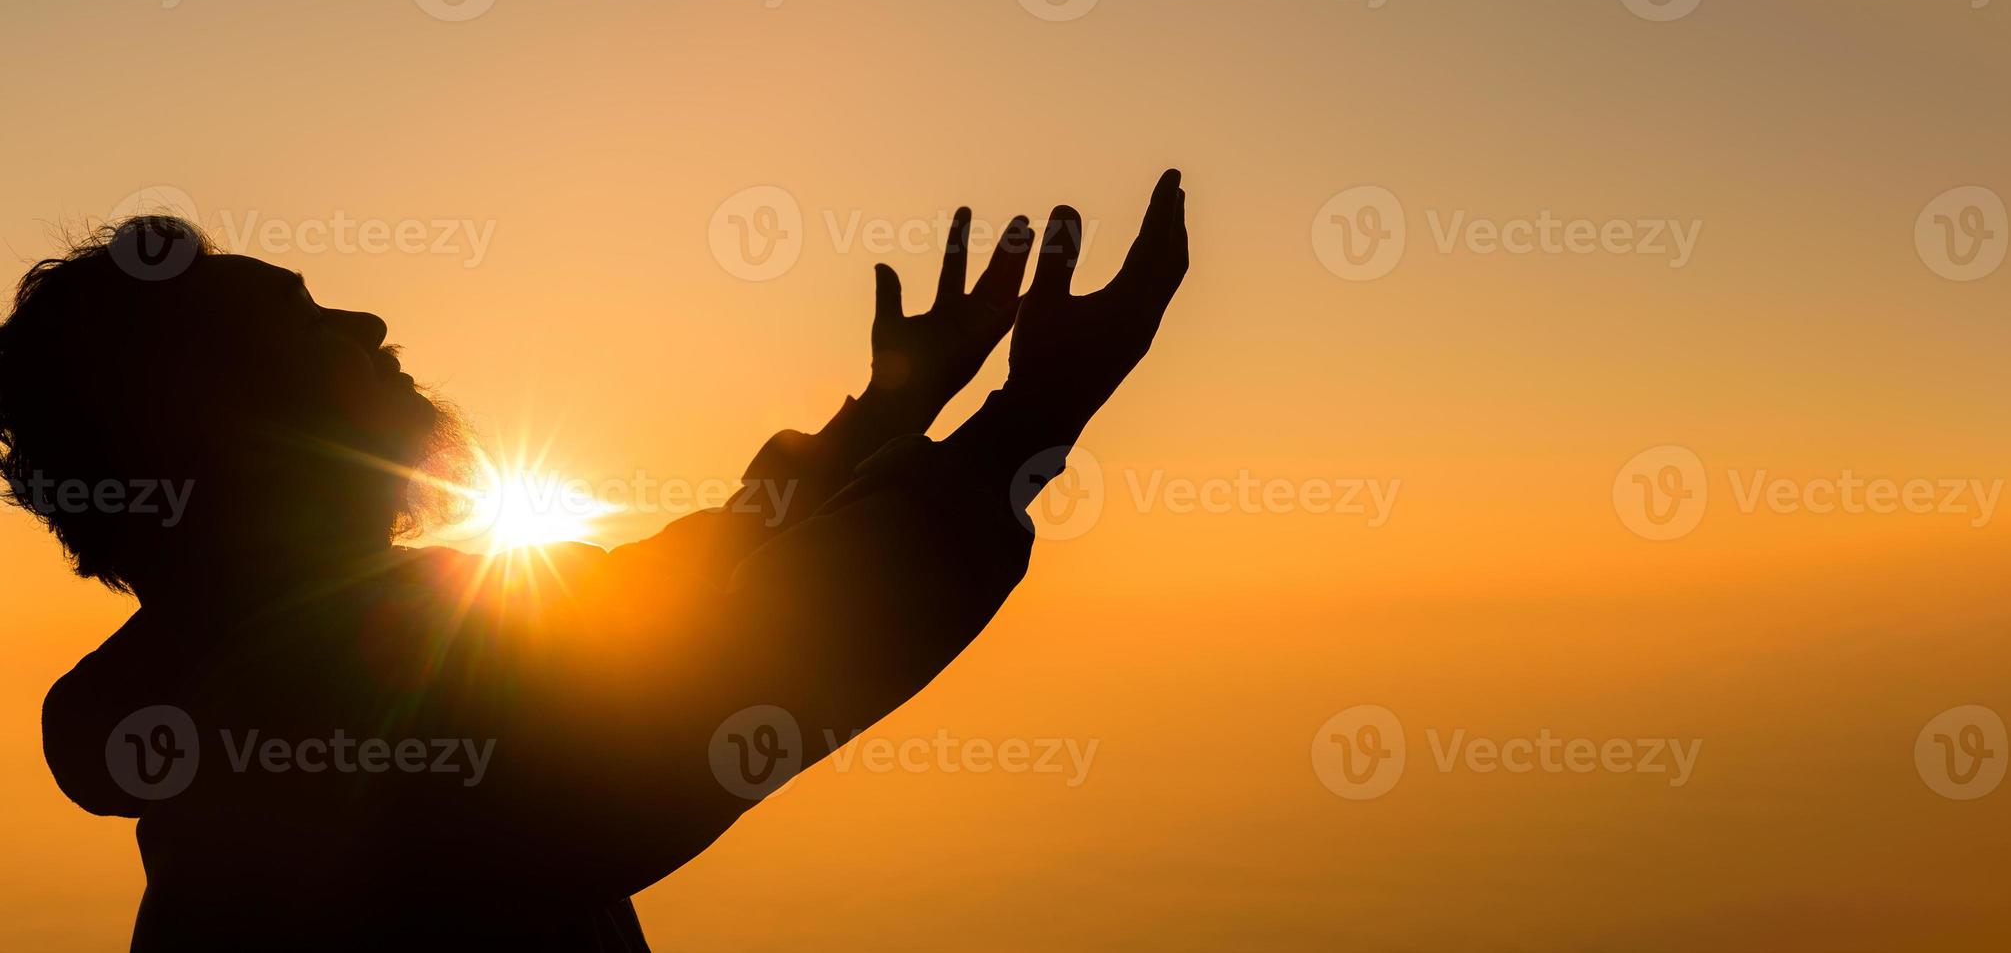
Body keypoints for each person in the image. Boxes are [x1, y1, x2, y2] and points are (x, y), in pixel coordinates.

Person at [6, 171, 1190, 950]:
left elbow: (678, 576)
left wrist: (887, 414)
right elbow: (752, 650)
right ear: (224, 426)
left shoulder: (301, 657)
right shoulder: (315, 717)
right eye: (304, 320)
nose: (363, 326)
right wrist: (1037, 409)